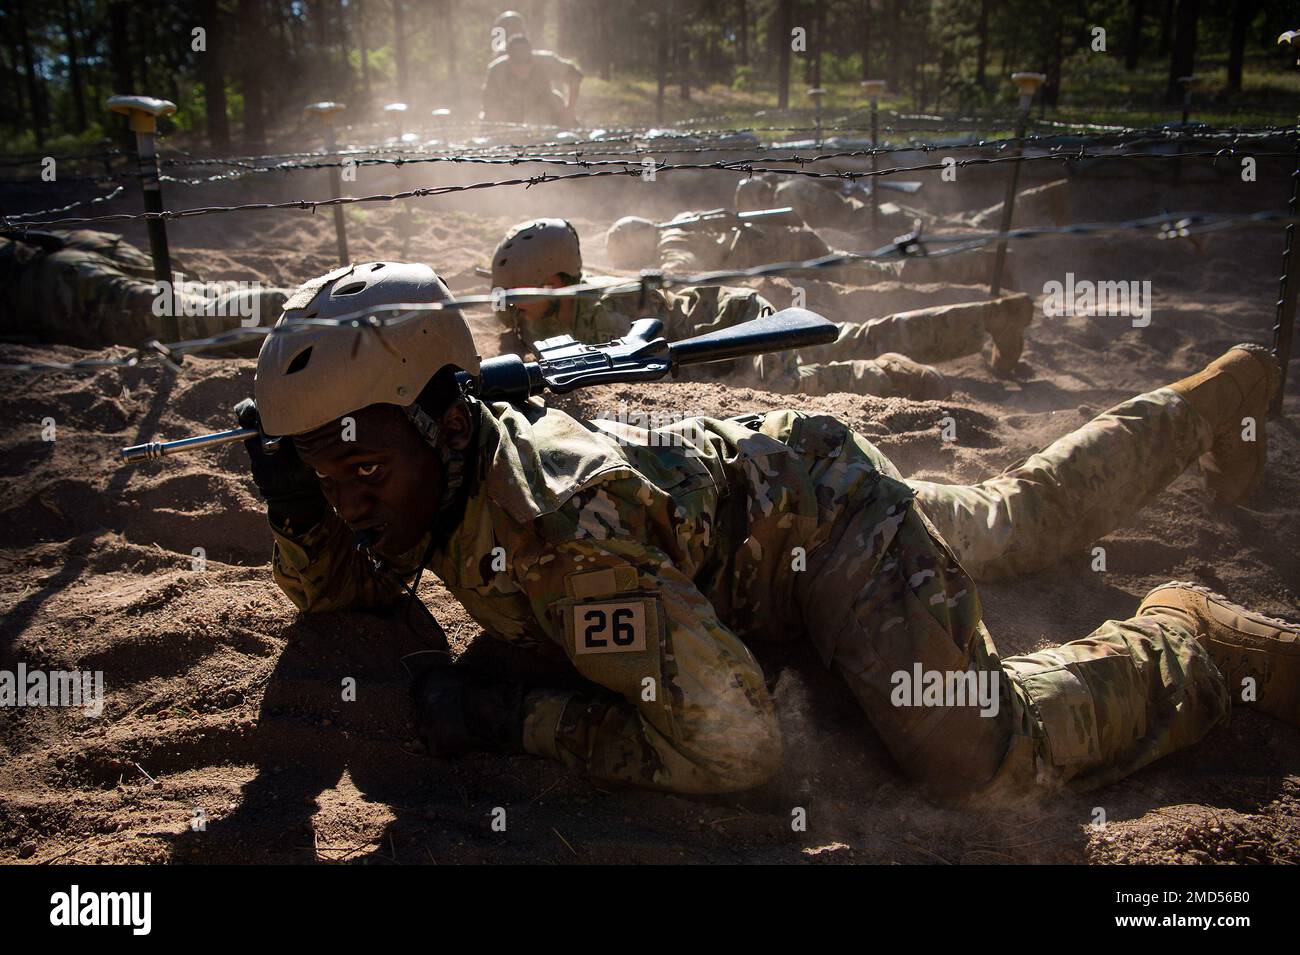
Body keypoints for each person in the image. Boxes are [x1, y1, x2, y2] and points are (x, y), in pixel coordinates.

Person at [238, 260, 1296, 798]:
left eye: (364, 468)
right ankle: (1207, 403)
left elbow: (734, 748)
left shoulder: (567, 535)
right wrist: (301, 512)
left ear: (448, 420)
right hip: (773, 488)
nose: (348, 501)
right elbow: (353, 584)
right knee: (1016, 519)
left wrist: (510, 719)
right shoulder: (430, 469)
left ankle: (1181, 640)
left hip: (832, 528)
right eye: (322, 475)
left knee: (976, 760)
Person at [491, 218, 1033, 399]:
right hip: (713, 335)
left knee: (802, 384)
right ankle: (990, 318)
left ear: (559, 282)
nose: (510, 304)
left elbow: (648, 373)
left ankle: (904, 376)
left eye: (520, 294)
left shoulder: (605, 312)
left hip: (740, 326)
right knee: (849, 336)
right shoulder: (538, 309)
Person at [0, 229, 288, 348]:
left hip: (49, 279)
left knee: (195, 313)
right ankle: (321, 309)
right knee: (204, 297)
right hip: (64, 244)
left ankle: (317, 318)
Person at [481, 33, 582, 126]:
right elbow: (488, 101)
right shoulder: (496, 70)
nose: (523, 67)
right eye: (518, 62)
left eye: (527, 61)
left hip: (545, 110)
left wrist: (570, 111)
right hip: (508, 116)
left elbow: (575, 76)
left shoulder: (546, 61)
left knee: (558, 104)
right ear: (509, 59)